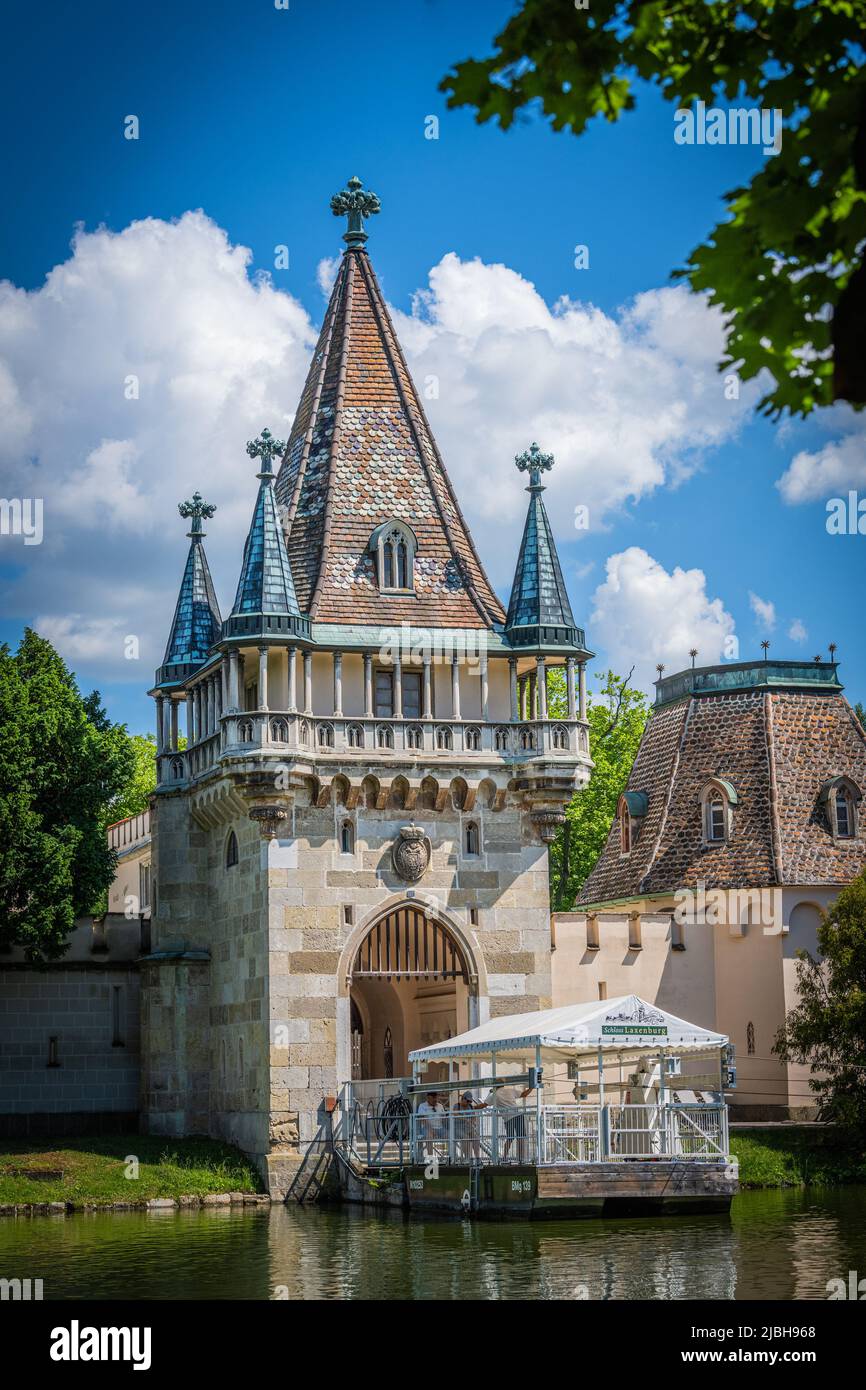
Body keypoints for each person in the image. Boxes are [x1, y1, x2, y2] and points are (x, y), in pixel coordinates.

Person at [486, 1084, 532, 1162]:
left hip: (508, 1117)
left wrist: (473, 1108)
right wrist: (532, 1086)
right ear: (502, 1085)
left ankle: (504, 1157)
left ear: (495, 1086)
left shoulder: (494, 1095)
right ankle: (521, 1158)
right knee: (521, 1137)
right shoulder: (510, 1090)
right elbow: (524, 1094)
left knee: (510, 1138)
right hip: (518, 1115)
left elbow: (484, 1104)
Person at [416, 1090, 447, 1158]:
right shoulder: (422, 1106)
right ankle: (430, 1157)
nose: (435, 1099)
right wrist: (431, 1130)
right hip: (426, 1128)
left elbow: (444, 1118)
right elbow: (423, 1119)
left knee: (449, 1135)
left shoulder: (440, 1106)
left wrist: (448, 1127)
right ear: (428, 1098)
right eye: (433, 1098)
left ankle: (450, 1157)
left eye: (436, 1098)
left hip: (440, 1127)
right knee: (429, 1137)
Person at [454, 1090, 483, 1160]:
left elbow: (473, 1117)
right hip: (458, 1128)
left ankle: (477, 1157)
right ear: (463, 1099)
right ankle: (467, 1157)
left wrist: (473, 1121)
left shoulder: (470, 1106)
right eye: (467, 1101)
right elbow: (455, 1114)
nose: (468, 1103)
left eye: (470, 1101)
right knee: (465, 1138)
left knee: (476, 1138)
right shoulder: (456, 1106)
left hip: (468, 1127)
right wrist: (465, 1119)